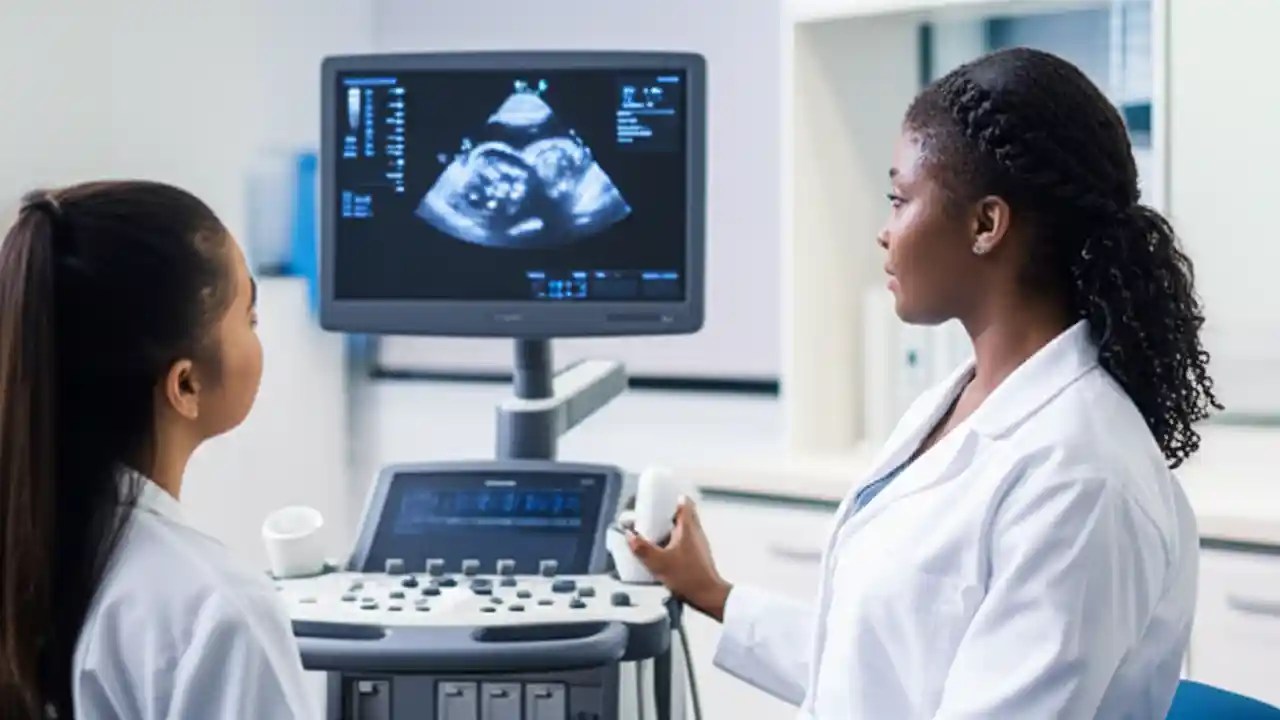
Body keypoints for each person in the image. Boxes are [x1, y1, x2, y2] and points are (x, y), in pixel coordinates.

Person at [627, 47, 1219, 719]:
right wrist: (714, 593)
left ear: (985, 224)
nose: (885, 233)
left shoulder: (1082, 480)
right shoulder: (963, 403)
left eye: (900, 199)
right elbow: (891, 664)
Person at [0, 181, 313, 718]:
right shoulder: (217, 611)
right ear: (185, 385)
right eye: (249, 316)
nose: (257, 334)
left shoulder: (32, 559)